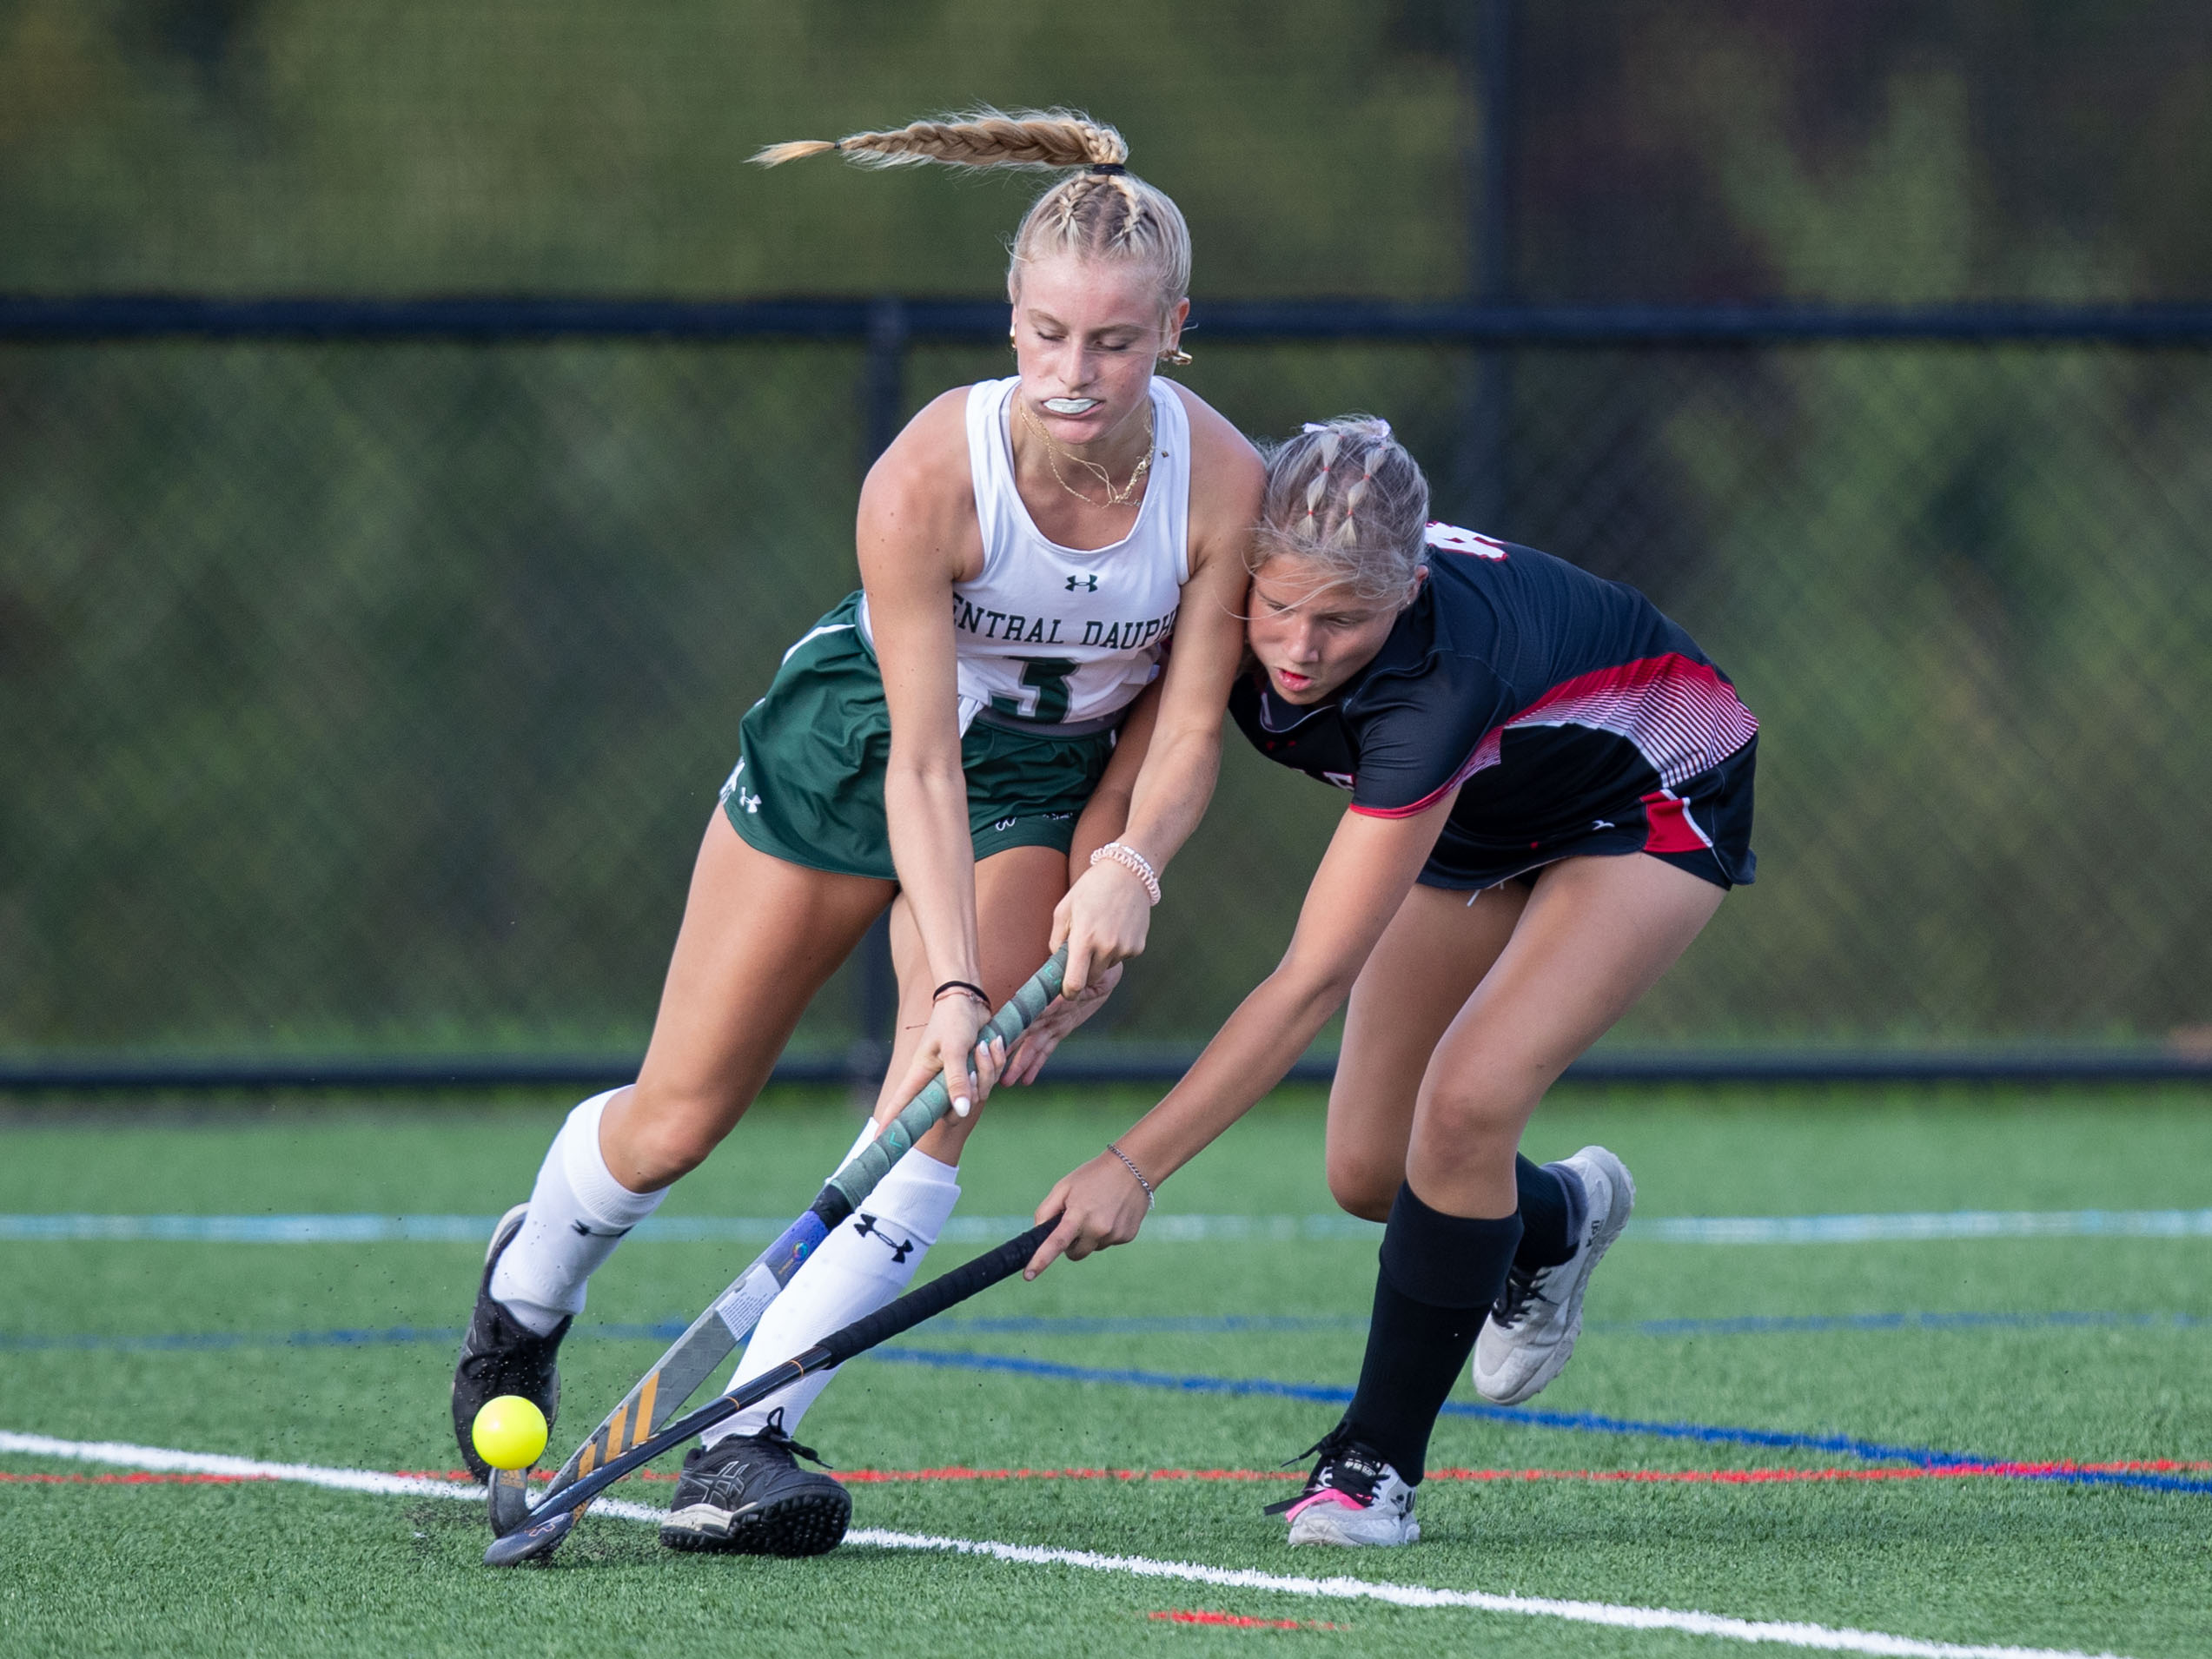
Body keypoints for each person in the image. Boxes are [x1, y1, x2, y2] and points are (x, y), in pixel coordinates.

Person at [449, 109, 1263, 1557]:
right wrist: (953, 978)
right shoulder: (924, 480)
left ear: (1175, 330)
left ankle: (745, 1440)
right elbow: (923, 760)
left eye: (1117, 343)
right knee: (677, 1119)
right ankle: (530, 1283)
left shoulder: (1222, 485)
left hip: (1040, 784)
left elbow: (1188, 727)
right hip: (861, 747)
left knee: (940, 1099)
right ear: (1010, 318)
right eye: (1049, 334)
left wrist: (1128, 860)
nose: (1077, 375)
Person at [1021, 415, 1757, 1547]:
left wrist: (1134, 1166)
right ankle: (1556, 1217)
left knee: (1461, 1106)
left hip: (1647, 791)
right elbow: (1140, 777)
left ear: (1407, 591)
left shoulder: (1434, 685)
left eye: (1342, 620)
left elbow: (1311, 977)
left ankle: (1372, 1470)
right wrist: (1088, 928)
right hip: (1485, 809)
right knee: (1372, 1168)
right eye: (1280, 608)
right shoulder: (1221, 576)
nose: (1301, 648)